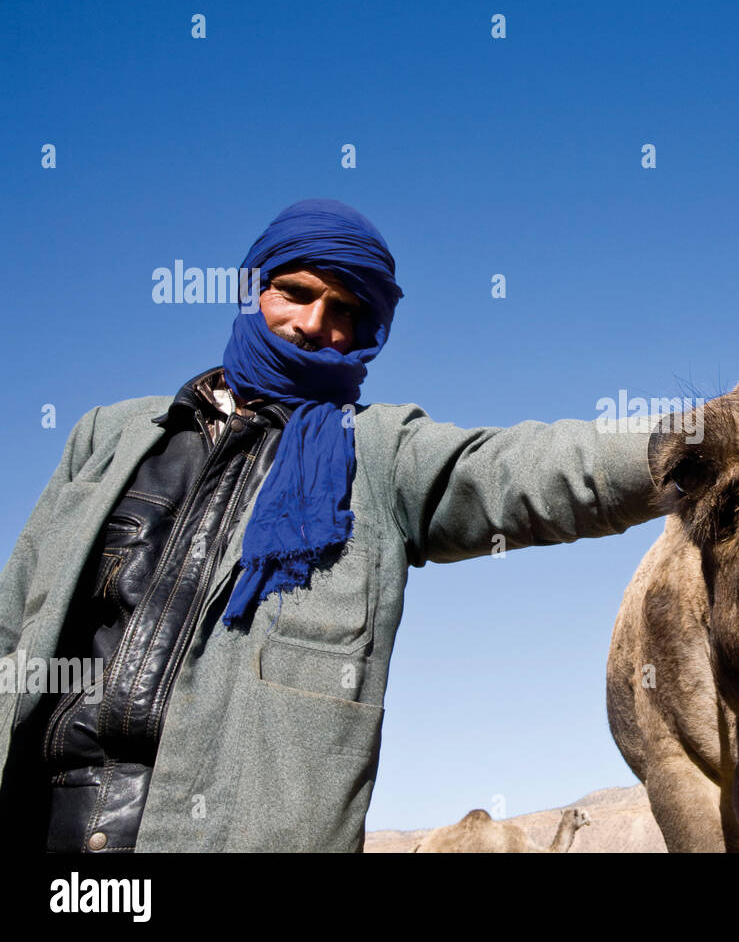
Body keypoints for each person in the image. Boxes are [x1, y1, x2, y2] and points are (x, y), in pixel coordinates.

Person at [0, 199, 667, 852]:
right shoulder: (110, 438)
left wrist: (711, 439)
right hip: (40, 817)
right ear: (254, 291)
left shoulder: (377, 454)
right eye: (295, 292)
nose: (315, 323)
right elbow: (12, 627)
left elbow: (526, 470)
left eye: (345, 309)